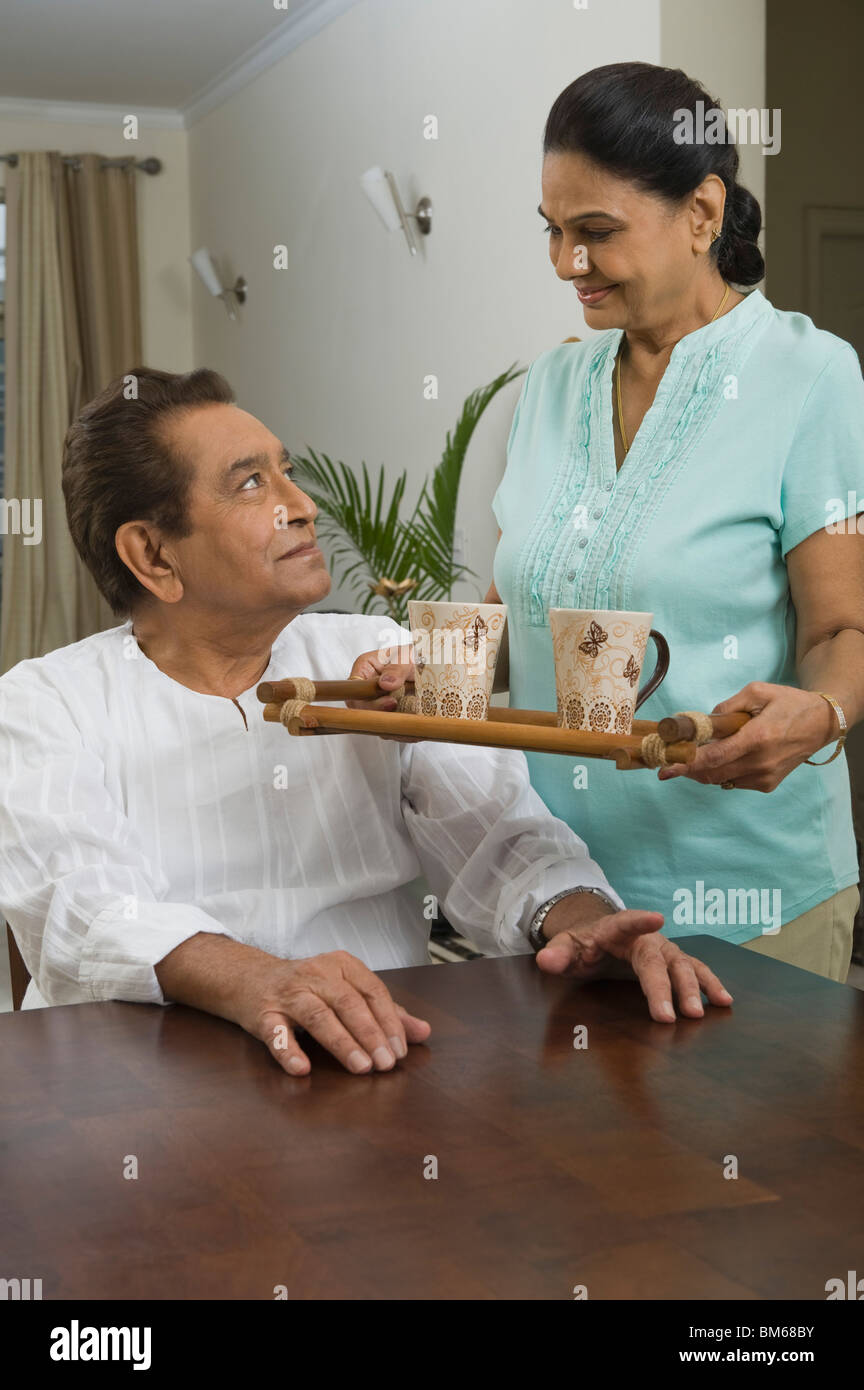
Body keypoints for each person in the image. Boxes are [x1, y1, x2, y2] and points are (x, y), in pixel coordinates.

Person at [0, 368, 732, 1075]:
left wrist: (580, 923)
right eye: (252, 483)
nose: (302, 504)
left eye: (286, 471)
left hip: (379, 1052)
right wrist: (264, 982)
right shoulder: (43, 702)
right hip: (135, 1084)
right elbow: (82, 908)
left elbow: (503, 842)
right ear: (153, 554)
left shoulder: (372, 659)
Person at [348, 62, 864, 982]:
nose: (564, 264)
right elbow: (512, 615)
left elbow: (841, 627)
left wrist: (821, 713)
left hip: (748, 897)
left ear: (702, 213)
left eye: (596, 232)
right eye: (552, 232)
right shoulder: (550, 387)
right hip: (562, 893)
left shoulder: (811, 377)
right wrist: (423, 675)